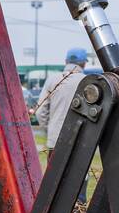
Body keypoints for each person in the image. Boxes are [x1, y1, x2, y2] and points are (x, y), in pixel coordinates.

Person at [33, 48, 89, 201]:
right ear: (83, 63)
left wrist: (49, 129)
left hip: (55, 140)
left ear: (65, 62)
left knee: (54, 182)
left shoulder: (53, 80)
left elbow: (40, 111)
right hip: (80, 140)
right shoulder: (86, 82)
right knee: (79, 181)